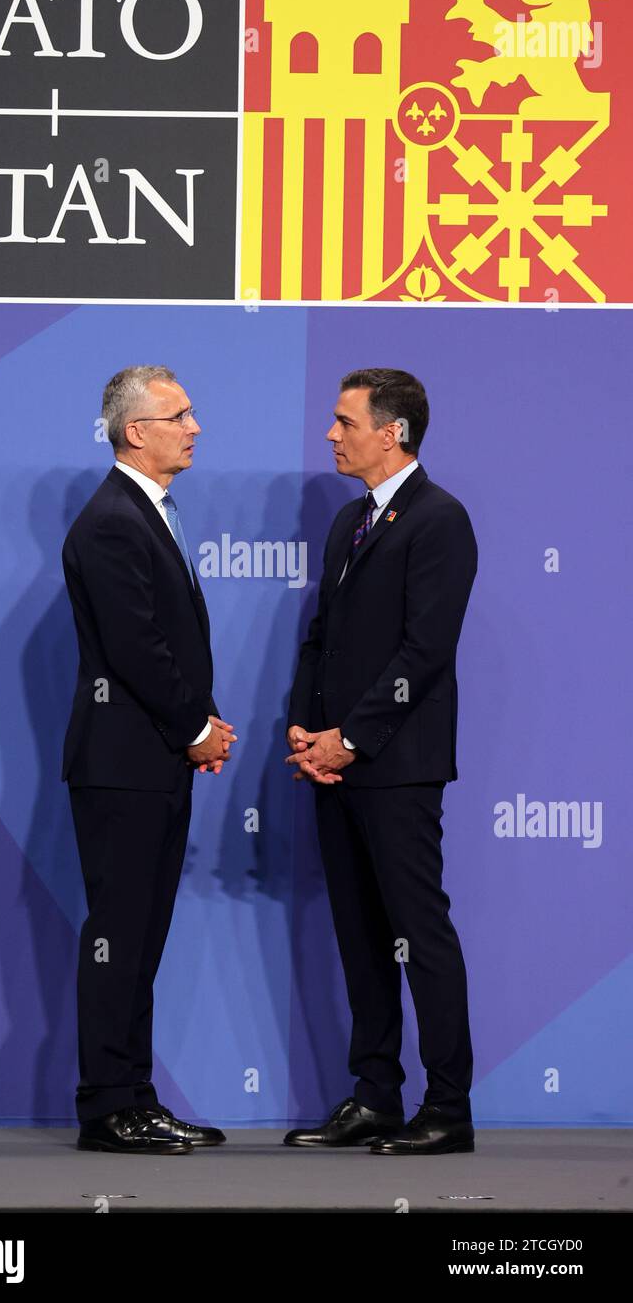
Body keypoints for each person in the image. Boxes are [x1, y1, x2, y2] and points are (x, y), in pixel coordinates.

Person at [283, 368, 478, 1155]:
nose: (331, 434)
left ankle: (449, 1107)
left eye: (344, 421)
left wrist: (351, 737)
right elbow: (322, 636)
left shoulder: (440, 521)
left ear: (389, 432)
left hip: (397, 765)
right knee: (360, 935)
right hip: (335, 763)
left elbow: (424, 651)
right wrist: (305, 728)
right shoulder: (347, 524)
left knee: (417, 931)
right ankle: (374, 1096)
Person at [61, 364, 236, 1154]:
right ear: (138, 431)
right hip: (123, 761)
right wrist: (195, 726)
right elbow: (137, 647)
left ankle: (135, 1096)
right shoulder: (110, 522)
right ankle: (107, 1107)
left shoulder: (145, 513)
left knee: (141, 939)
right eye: (181, 415)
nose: (195, 427)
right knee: (119, 938)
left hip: (149, 756)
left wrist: (196, 725)